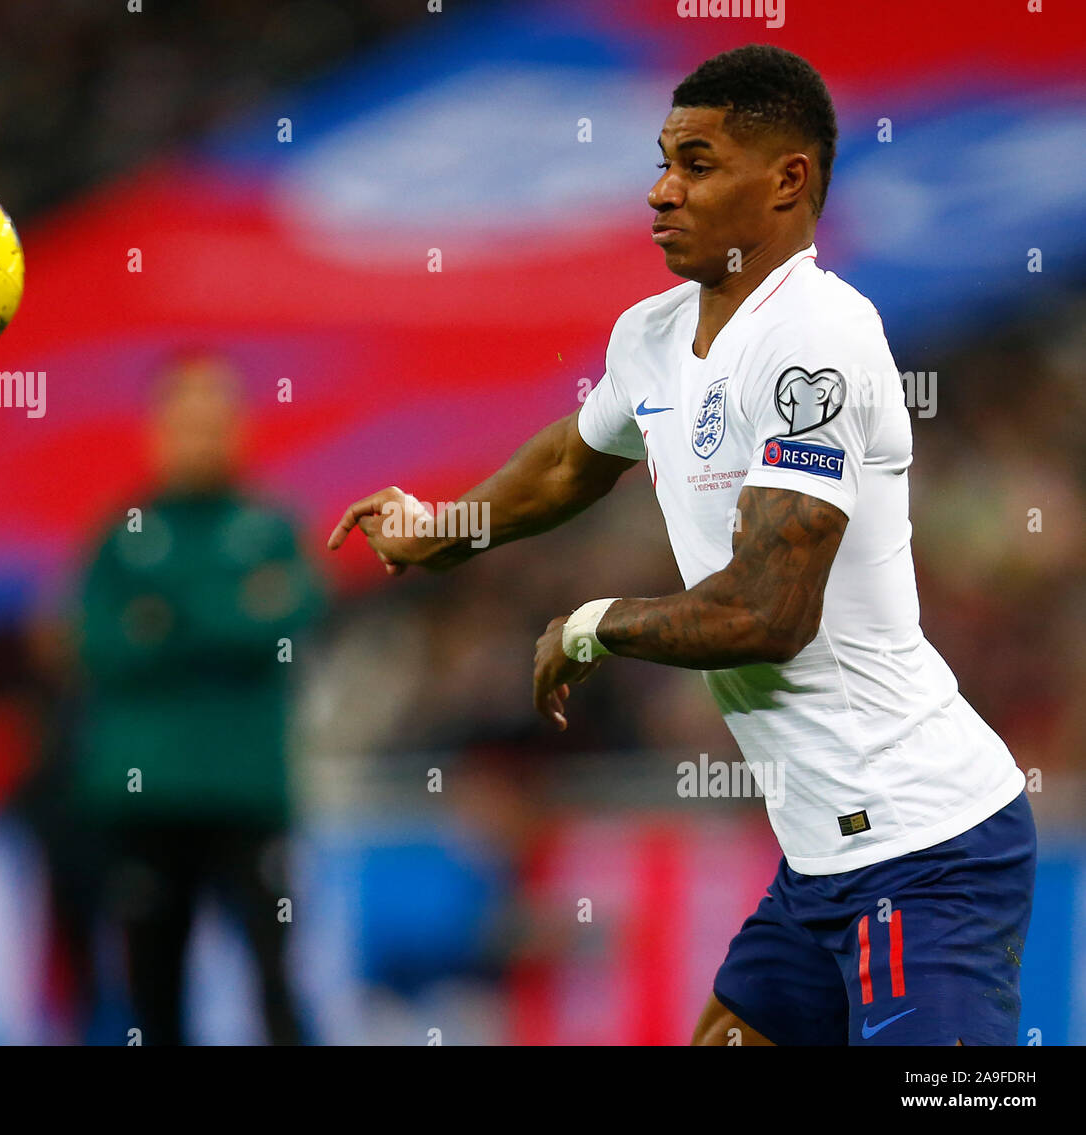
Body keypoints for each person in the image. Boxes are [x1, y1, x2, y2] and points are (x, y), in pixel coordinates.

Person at [328, 45, 1033, 1047]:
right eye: (661, 161)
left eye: (696, 164)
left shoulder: (817, 341)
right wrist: (443, 530)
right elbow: (573, 462)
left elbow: (768, 610)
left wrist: (593, 626)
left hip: (924, 847)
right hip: (820, 857)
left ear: (786, 180)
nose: (660, 190)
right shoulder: (650, 336)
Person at [75, 354, 324, 1045]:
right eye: (188, 422)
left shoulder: (273, 528)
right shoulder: (122, 535)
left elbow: (287, 617)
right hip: (147, 800)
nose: (202, 438)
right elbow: (100, 645)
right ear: (158, 430)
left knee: (275, 979)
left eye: (215, 422)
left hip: (248, 796)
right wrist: (230, 609)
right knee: (153, 990)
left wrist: (169, 617)